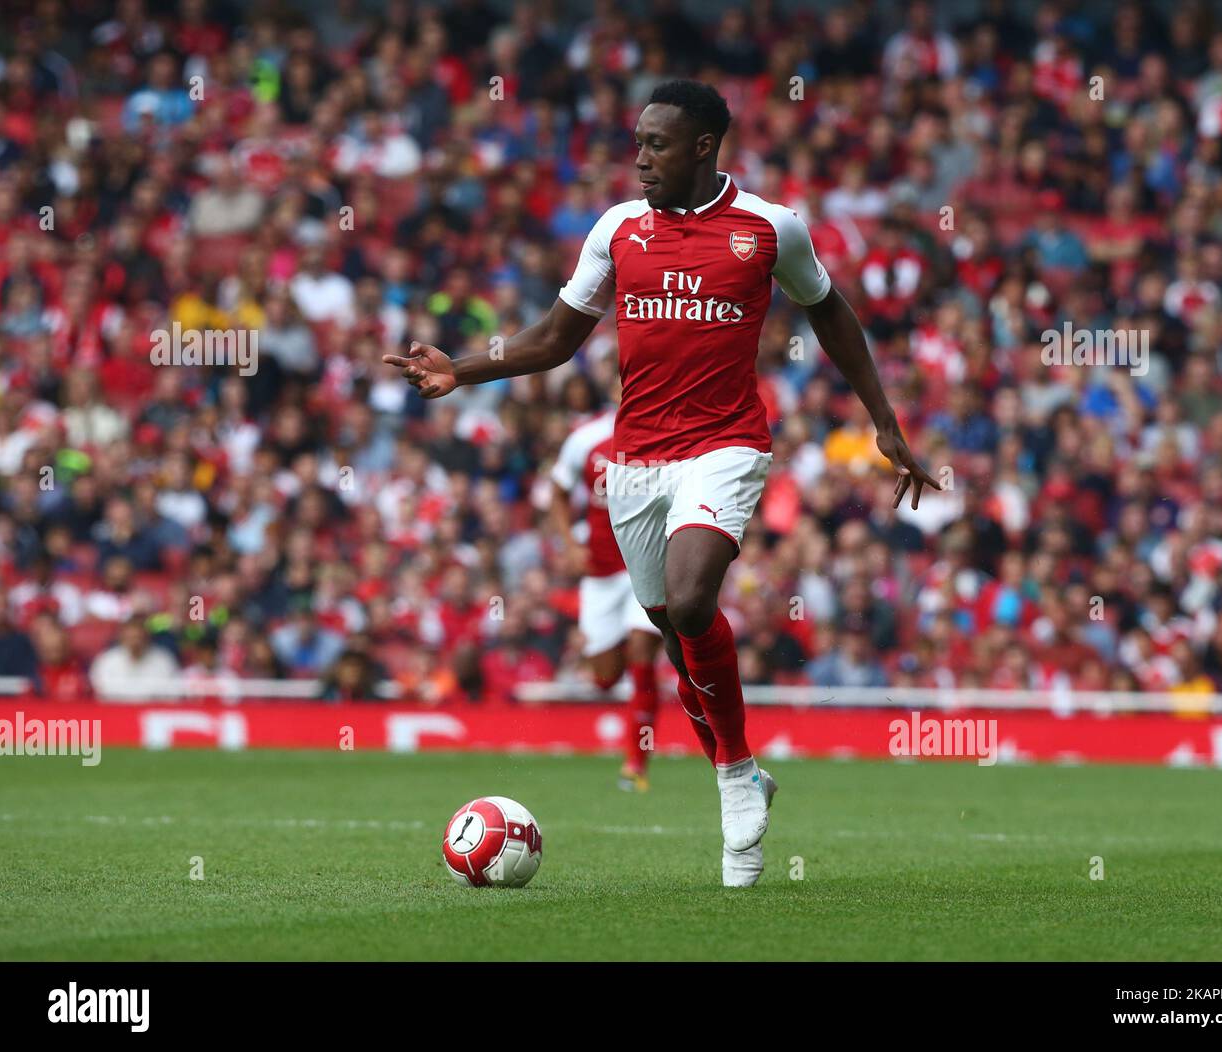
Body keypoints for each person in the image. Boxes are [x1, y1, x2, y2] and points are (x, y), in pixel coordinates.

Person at [385, 80, 937, 887]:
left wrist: (883, 420)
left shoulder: (769, 228)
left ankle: (735, 778)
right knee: (679, 648)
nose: (640, 158)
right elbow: (555, 338)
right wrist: (461, 372)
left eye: (657, 144)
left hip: (726, 447)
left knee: (688, 601)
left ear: (705, 147)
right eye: (638, 141)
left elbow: (829, 310)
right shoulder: (617, 231)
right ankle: (741, 768)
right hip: (635, 463)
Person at [549, 377, 663, 792]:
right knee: (605, 676)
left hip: (647, 563)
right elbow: (557, 492)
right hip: (599, 571)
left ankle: (636, 764)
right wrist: (568, 544)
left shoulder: (671, 434)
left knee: (641, 648)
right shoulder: (586, 438)